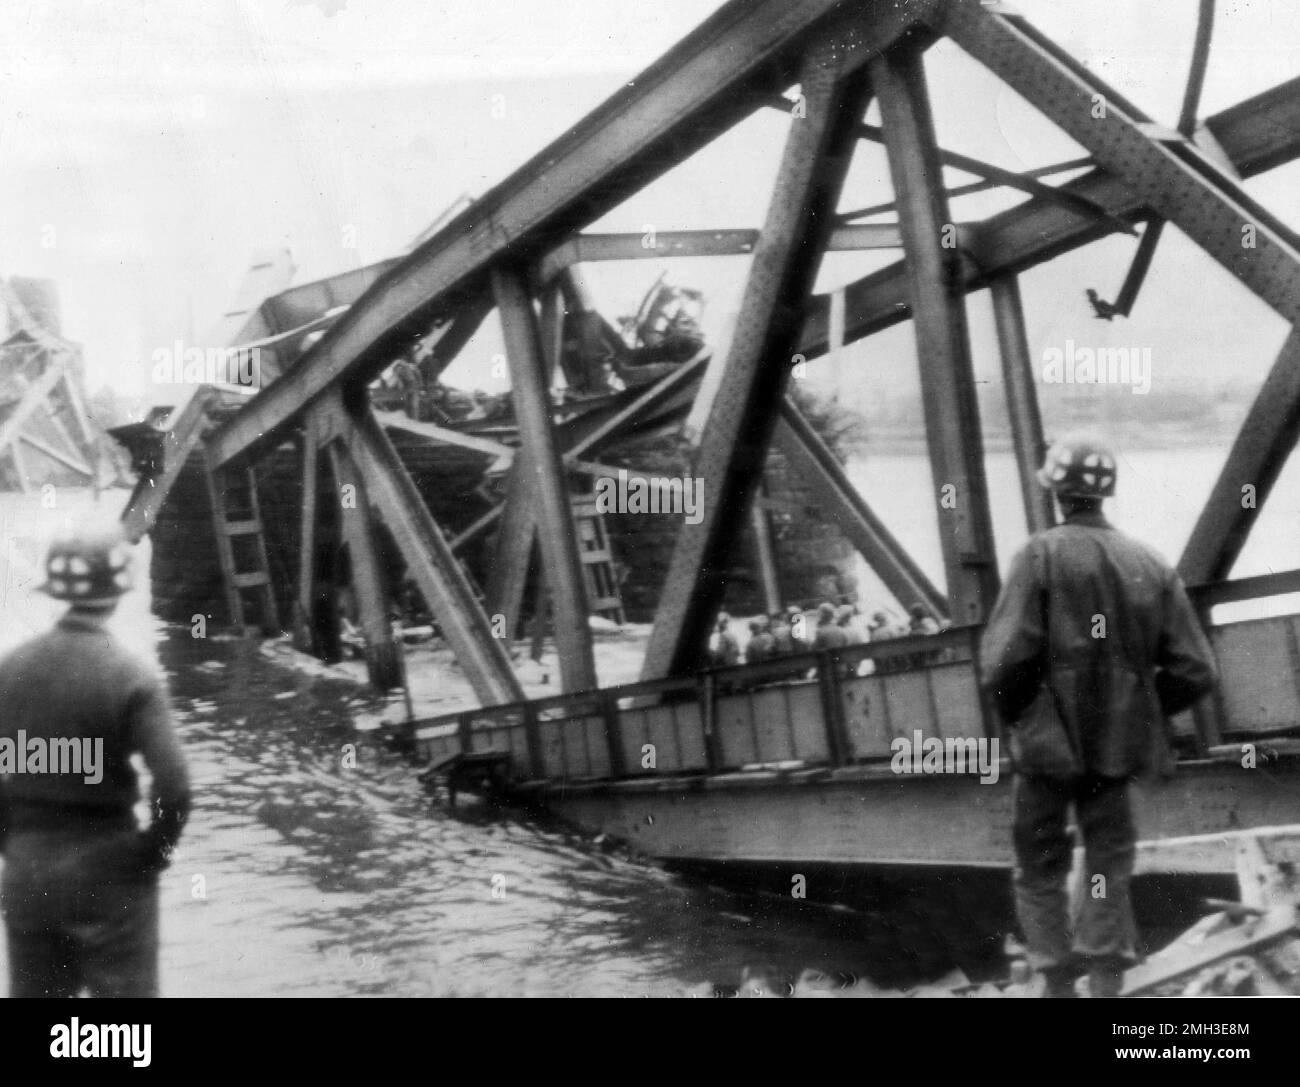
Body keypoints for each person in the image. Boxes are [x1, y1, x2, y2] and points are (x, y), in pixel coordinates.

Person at [979, 435, 1216, 999]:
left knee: (1038, 865)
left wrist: (1027, 717)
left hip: (1045, 746)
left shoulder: (1038, 556)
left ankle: (1056, 987)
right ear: (1106, 493)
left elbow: (1003, 661)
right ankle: (1107, 988)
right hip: (1116, 746)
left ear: (1058, 493)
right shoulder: (1151, 563)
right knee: (1108, 859)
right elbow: (1195, 668)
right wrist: (1141, 709)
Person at [0, 526, 191, 997]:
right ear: (116, 593)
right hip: (111, 869)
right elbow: (175, 786)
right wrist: (153, 854)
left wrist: (16, 847)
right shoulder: (130, 676)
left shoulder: (9, 672)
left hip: (28, 871)